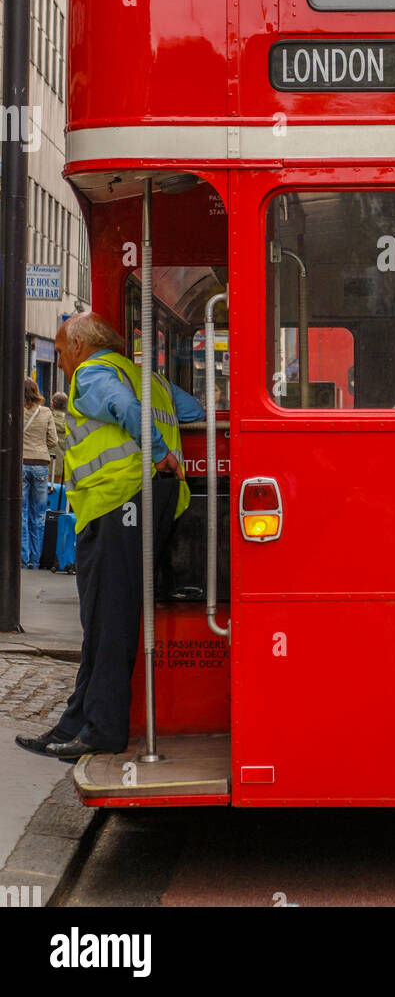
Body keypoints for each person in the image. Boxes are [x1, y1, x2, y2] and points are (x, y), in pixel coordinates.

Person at [15, 312, 203, 761]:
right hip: (149, 501)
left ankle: (103, 730)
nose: (60, 363)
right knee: (102, 619)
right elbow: (194, 410)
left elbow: (127, 412)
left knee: (110, 621)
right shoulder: (145, 376)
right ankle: (75, 722)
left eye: (59, 352)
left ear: (79, 345)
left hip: (121, 501)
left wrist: (158, 455)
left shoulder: (94, 373)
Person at [21, 378, 59, 569]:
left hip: (20, 464)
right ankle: (36, 560)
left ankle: (23, 558)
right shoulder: (45, 412)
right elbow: (53, 440)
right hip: (41, 465)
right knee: (38, 514)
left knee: (21, 511)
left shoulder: (16, 409)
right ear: (36, 391)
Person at [50, 391, 68, 483]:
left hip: (48, 465)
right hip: (64, 467)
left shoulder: (47, 419)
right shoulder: (70, 423)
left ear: (52, 404)